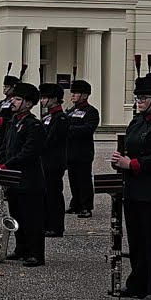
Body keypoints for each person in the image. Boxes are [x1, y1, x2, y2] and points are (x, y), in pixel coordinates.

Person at [110, 75, 151, 300]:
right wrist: (119, 160)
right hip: (134, 190)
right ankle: (138, 282)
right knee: (137, 242)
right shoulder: (137, 122)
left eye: (143, 97)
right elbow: (128, 148)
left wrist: (133, 164)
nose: (139, 101)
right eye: (137, 97)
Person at [0, 82, 45, 267]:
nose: (13, 102)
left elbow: (30, 152)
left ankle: (36, 253)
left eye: (17, 99)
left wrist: (8, 164)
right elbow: (5, 145)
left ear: (28, 103)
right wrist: (0, 162)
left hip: (29, 179)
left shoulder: (34, 125)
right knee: (16, 214)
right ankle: (21, 248)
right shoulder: (13, 122)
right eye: (13, 98)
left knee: (32, 218)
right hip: (13, 178)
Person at [65, 79, 100, 218]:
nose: (72, 95)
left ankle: (86, 206)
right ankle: (76, 203)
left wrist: (69, 130)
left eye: (76, 93)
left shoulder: (91, 111)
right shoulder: (71, 110)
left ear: (85, 95)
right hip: (70, 150)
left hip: (83, 151)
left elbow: (88, 128)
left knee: (84, 179)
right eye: (72, 92)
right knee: (73, 178)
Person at [39, 83, 69, 237]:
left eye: (45, 98)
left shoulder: (61, 118)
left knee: (54, 194)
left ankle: (56, 226)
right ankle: (47, 223)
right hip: (45, 161)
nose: (42, 101)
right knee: (45, 194)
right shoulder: (47, 116)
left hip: (54, 161)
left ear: (55, 99)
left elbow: (51, 139)